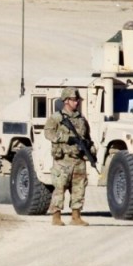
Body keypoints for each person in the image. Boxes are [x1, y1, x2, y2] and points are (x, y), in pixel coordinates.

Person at [42, 86, 92, 226]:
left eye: (78, 100)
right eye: (74, 100)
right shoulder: (57, 118)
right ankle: (56, 217)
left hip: (78, 160)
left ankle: (76, 217)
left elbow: (87, 137)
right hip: (63, 159)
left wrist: (90, 150)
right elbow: (48, 133)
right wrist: (65, 138)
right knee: (59, 188)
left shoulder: (81, 119)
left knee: (79, 188)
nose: (77, 102)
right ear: (66, 100)